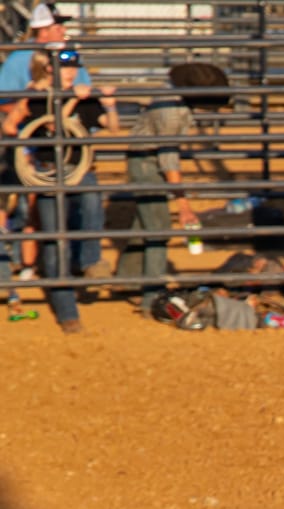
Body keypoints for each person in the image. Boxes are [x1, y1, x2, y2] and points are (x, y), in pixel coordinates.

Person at [1, 49, 119, 333]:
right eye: (65, 69)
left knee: (91, 198)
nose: (71, 73)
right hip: (48, 172)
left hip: (79, 169)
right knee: (55, 242)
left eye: (74, 68)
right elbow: (55, 128)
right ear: (50, 71)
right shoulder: (39, 98)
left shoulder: (82, 97)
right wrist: (71, 101)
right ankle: (68, 313)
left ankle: (91, 261)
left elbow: (112, 128)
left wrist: (110, 105)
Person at [0, 4, 110, 281]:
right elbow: (6, 103)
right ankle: (28, 264)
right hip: (34, 147)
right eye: (57, 26)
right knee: (30, 208)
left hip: (71, 148)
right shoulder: (20, 60)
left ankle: (70, 263)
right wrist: (32, 110)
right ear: (42, 30)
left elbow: (83, 95)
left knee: (74, 206)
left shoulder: (69, 58)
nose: (62, 30)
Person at [113, 62, 229, 319]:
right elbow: (168, 159)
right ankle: (151, 298)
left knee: (146, 221)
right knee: (159, 229)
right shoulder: (171, 112)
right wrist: (184, 206)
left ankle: (126, 278)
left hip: (144, 160)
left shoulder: (172, 100)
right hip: (148, 163)